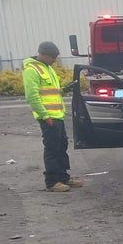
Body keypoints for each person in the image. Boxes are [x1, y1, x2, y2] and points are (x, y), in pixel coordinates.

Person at [23, 41, 83, 192]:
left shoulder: (47, 68)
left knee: (61, 146)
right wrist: (44, 116)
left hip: (57, 115)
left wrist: (64, 89)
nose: (55, 60)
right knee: (52, 149)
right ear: (43, 54)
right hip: (48, 117)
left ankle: (63, 177)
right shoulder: (32, 70)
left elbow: (52, 93)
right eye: (53, 57)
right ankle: (52, 181)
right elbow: (32, 96)